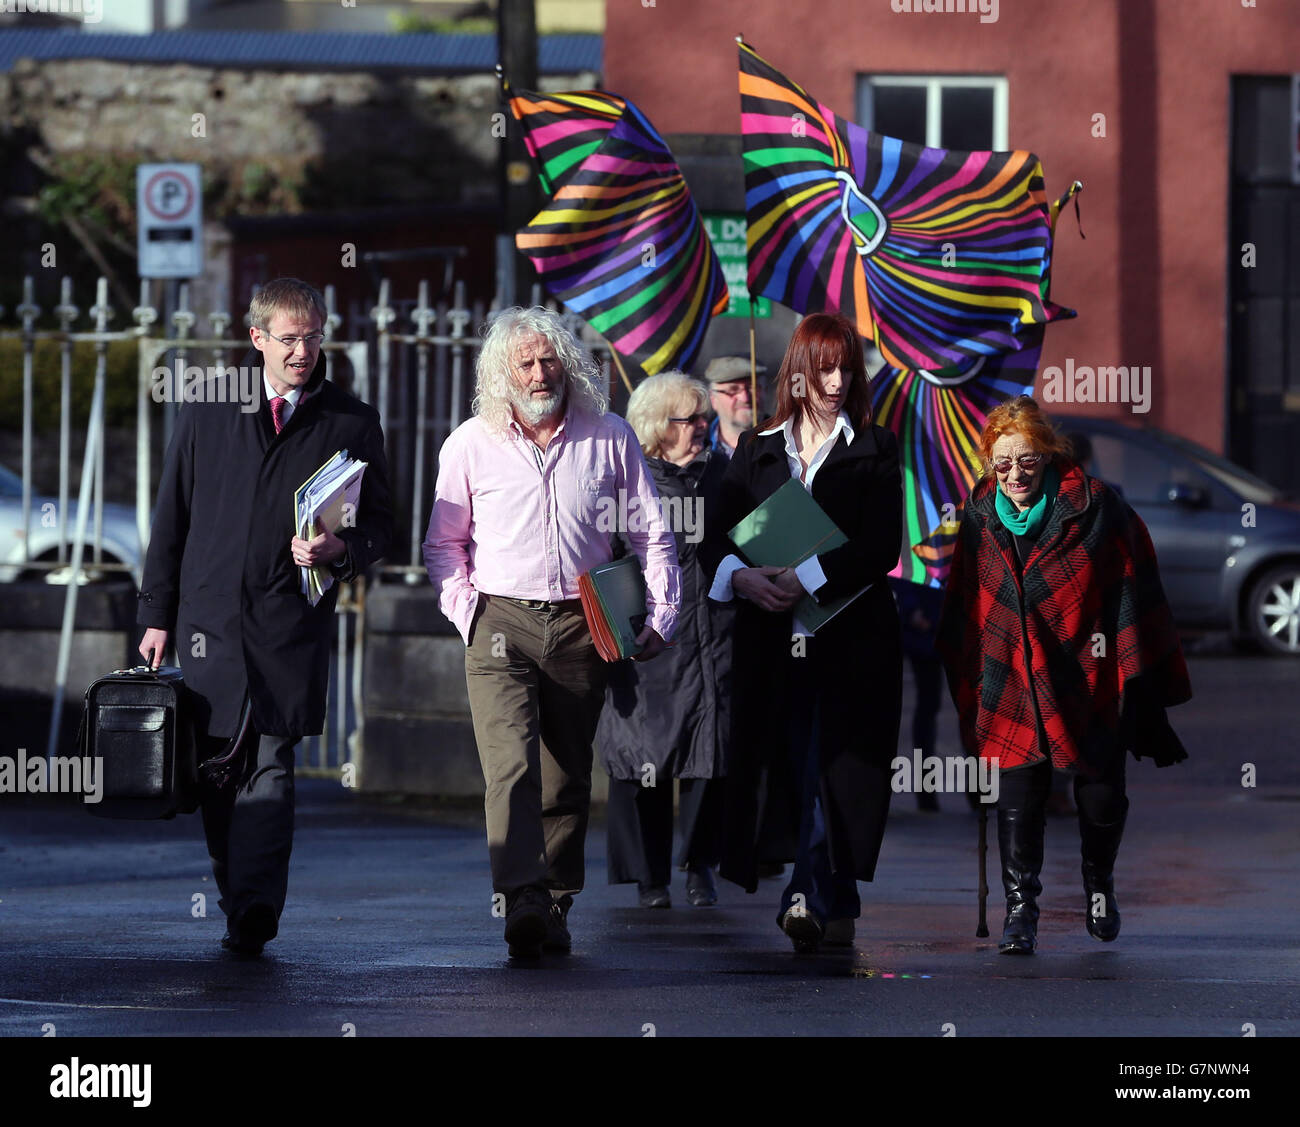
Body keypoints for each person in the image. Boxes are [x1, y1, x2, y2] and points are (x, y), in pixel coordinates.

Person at [137, 277, 393, 956]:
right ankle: (235, 894)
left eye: (313, 336)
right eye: (289, 338)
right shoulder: (207, 407)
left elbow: (382, 528)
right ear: (257, 339)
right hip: (209, 623)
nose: (303, 350)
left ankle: (256, 906)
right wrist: (155, 613)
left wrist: (341, 548)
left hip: (289, 624)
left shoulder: (351, 421)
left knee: (272, 767)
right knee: (218, 770)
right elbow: (172, 516)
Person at [423, 307, 680, 959]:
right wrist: (468, 612)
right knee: (510, 766)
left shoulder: (610, 436)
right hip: (499, 620)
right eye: (526, 362)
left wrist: (662, 614)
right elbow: (444, 545)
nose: (540, 373)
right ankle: (523, 901)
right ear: (501, 373)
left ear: (568, 363)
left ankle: (556, 896)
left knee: (566, 772)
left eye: (549, 360)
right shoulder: (469, 443)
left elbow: (652, 533)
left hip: (582, 619)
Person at [937, 395, 1191, 955]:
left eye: (1026, 460)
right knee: (1016, 790)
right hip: (1013, 678)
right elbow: (966, 603)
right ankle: (1020, 910)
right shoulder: (979, 514)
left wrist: (1134, 669)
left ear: (1047, 454)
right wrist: (972, 671)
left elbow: (1132, 584)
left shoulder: (1097, 507)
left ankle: (1099, 885)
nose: (1015, 475)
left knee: (1100, 797)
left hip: (1088, 674)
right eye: (1002, 463)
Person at [701, 312, 904, 952]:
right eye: (824, 369)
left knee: (832, 765)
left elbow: (880, 546)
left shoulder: (877, 445)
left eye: (847, 368)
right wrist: (740, 577)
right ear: (798, 371)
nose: (838, 380)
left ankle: (806, 895)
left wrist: (806, 575)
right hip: (772, 645)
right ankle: (835, 896)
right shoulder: (756, 448)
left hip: (853, 641)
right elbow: (714, 538)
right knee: (791, 767)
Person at [597, 371, 730, 910]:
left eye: (705, 418)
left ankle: (701, 866)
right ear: (656, 428)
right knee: (643, 755)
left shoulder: (724, 475)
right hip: (649, 641)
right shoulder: (629, 481)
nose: (701, 427)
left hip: (713, 636)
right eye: (688, 419)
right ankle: (650, 877)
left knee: (709, 753)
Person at [703, 355, 763, 460]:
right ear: (713, 399)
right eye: (733, 390)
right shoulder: (695, 446)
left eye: (752, 387)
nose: (745, 398)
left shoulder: (787, 443)